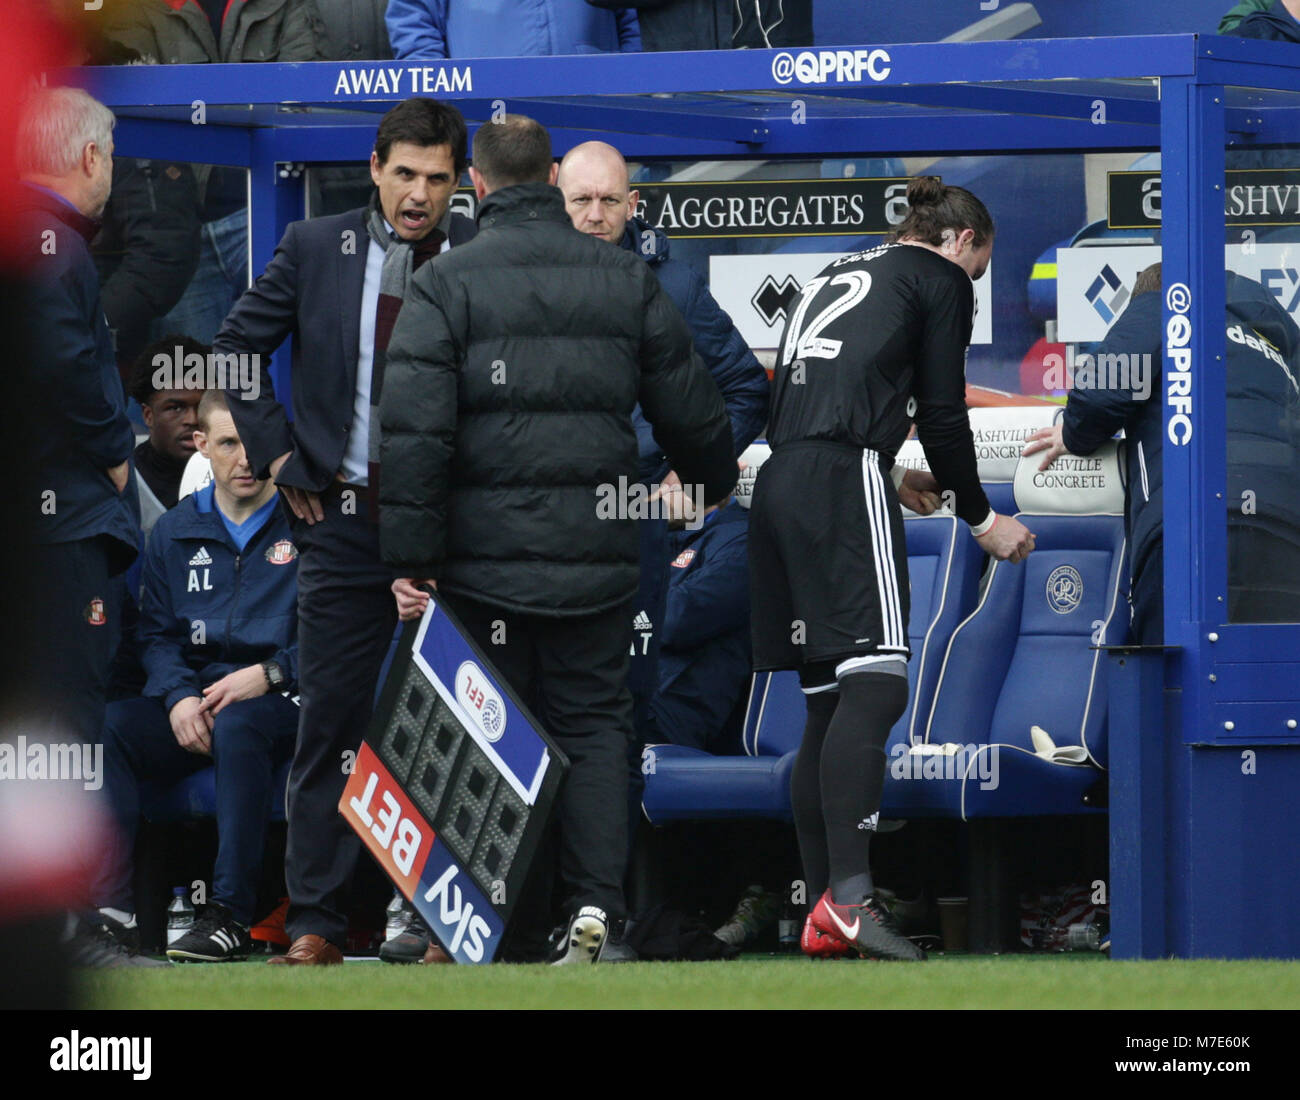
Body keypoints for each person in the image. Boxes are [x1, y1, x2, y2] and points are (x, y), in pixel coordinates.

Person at [380, 114, 735, 963]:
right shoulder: (622, 279)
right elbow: (695, 413)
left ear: (475, 185)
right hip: (600, 558)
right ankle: (595, 910)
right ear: (550, 180)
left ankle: (489, 921)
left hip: (479, 566)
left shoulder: (446, 282)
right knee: (594, 728)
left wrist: (412, 563)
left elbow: (415, 437)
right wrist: (709, 483)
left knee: (488, 732)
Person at [216, 97, 476, 966]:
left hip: (446, 531)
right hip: (340, 520)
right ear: (374, 168)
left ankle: (443, 920)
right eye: (404, 173)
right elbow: (234, 349)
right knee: (327, 722)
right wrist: (281, 457)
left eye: (437, 179)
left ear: (457, 186)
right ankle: (317, 923)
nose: (418, 195)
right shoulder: (313, 246)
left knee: (444, 723)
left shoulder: (475, 257)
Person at [749, 176, 1035, 962]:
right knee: (878, 681)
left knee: (824, 700)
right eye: (978, 270)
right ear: (963, 242)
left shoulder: (840, 267)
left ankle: (821, 909)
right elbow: (943, 412)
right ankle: (849, 901)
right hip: (840, 480)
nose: (970, 285)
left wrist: (885, 466)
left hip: (781, 480)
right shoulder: (941, 276)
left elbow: (815, 399)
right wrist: (981, 518)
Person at [555, 139, 769, 839]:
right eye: (580, 201)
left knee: (627, 706)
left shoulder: (673, 284)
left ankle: (623, 902)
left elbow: (744, 388)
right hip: (558, 526)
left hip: (647, 526)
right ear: (555, 198)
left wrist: (696, 473)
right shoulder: (530, 278)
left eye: (609, 201)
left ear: (633, 204)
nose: (594, 215)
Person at [90, 390, 300, 962]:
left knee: (240, 724)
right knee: (110, 729)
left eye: (255, 441)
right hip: (200, 699)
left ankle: (229, 914)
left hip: (286, 699)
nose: (245, 457)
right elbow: (155, 637)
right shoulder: (174, 530)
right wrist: (179, 697)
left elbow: (339, 637)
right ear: (203, 446)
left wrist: (272, 672)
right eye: (229, 443)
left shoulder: (305, 519)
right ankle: (111, 915)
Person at [1024, 264, 1300, 642]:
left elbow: (1103, 394)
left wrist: (1073, 434)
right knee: (1274, 675)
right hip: (1285, 524)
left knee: (1171, 677)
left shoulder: (1164, 307)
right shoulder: (1274, 341)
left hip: (1189, 523)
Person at [18, 87, 139, 746]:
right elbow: (63, 368)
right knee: (67, 719)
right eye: (114, 156)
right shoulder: (52, 246)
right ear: (91, 157)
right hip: (57, 530)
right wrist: (116, 452)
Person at [645, 494, 752, 753]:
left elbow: (675, 619)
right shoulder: (660, 535)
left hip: (670, 707)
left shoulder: (743, 541)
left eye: (668, 477)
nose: (657, 492)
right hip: (634, 691)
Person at [127, 335, 208, 539]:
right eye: (176, 408)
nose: (192, 419)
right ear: (148, 415)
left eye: (202, 406)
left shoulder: (239, 471)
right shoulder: (126, 477)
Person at [386, 0, 640, 59]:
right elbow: (413, 17)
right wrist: (442, 102)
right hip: (486, 114)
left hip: (591, 106)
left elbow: (636, 16)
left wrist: (628, 86)